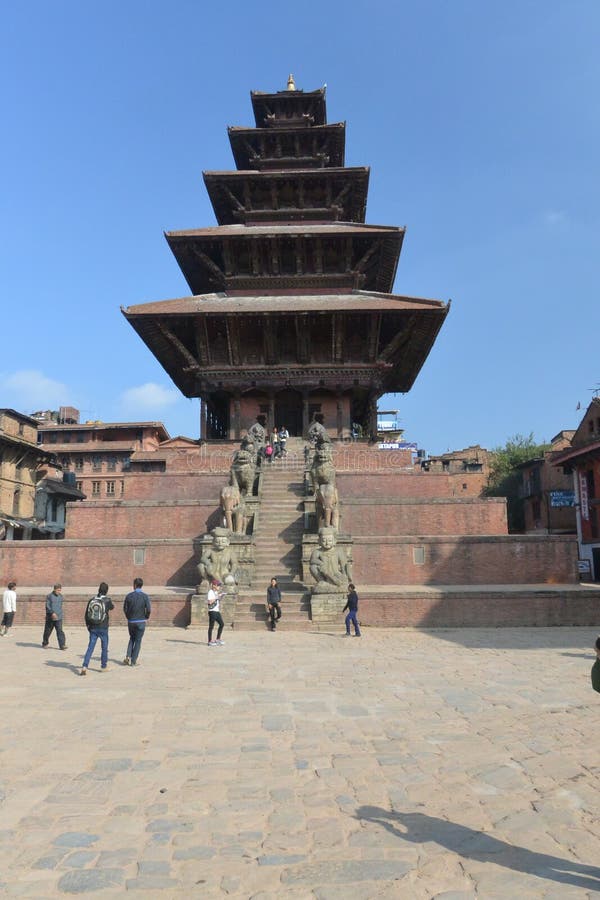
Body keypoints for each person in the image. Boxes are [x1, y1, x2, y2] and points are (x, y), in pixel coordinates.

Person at [80, 582, 114, 675]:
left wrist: (88, 626)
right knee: (104, 648)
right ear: (106, 591)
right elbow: (112, 607)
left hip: (93, 628)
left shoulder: (92, 600)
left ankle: (84, 666)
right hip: (103, 627)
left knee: (90, 647)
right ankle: (103, 666)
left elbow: (86, 614)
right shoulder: (107, 600)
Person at [123, 577, 151, 666]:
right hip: (141, 621)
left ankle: (128, 656)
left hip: (131, 621)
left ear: (135, 585)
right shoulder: (145, 596)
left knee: (132, 638)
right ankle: (133, 661)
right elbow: (149, 609)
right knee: (138, 641)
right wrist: (146, 617)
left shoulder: (129, 596)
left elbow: (125, 609)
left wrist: (128, 617)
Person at [43, 583, 67, 650]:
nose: (59, 592)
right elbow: (47, 606)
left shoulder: (61, 596)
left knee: (60, 631)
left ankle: (62, 645)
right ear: (54, 589)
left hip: (59, 617)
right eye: (58, 590)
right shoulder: (49, 596)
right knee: (47, 631)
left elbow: (60, 606)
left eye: (60, 590)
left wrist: (60, 614)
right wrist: (52, 613)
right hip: (50, 617)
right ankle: (45, 643)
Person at [207, 578, 225, 646]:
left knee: (222, 624)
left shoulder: (216, 592)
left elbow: (217, 600)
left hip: (217, 611)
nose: (219, 587)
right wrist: (217, 597)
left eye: (219, 586)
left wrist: (221, 596)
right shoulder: (210, 592)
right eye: (218, 585)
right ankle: (210, 641)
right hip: (212, 611)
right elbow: (210, 602)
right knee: (211, 626)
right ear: (214, 585)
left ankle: (218, 639)